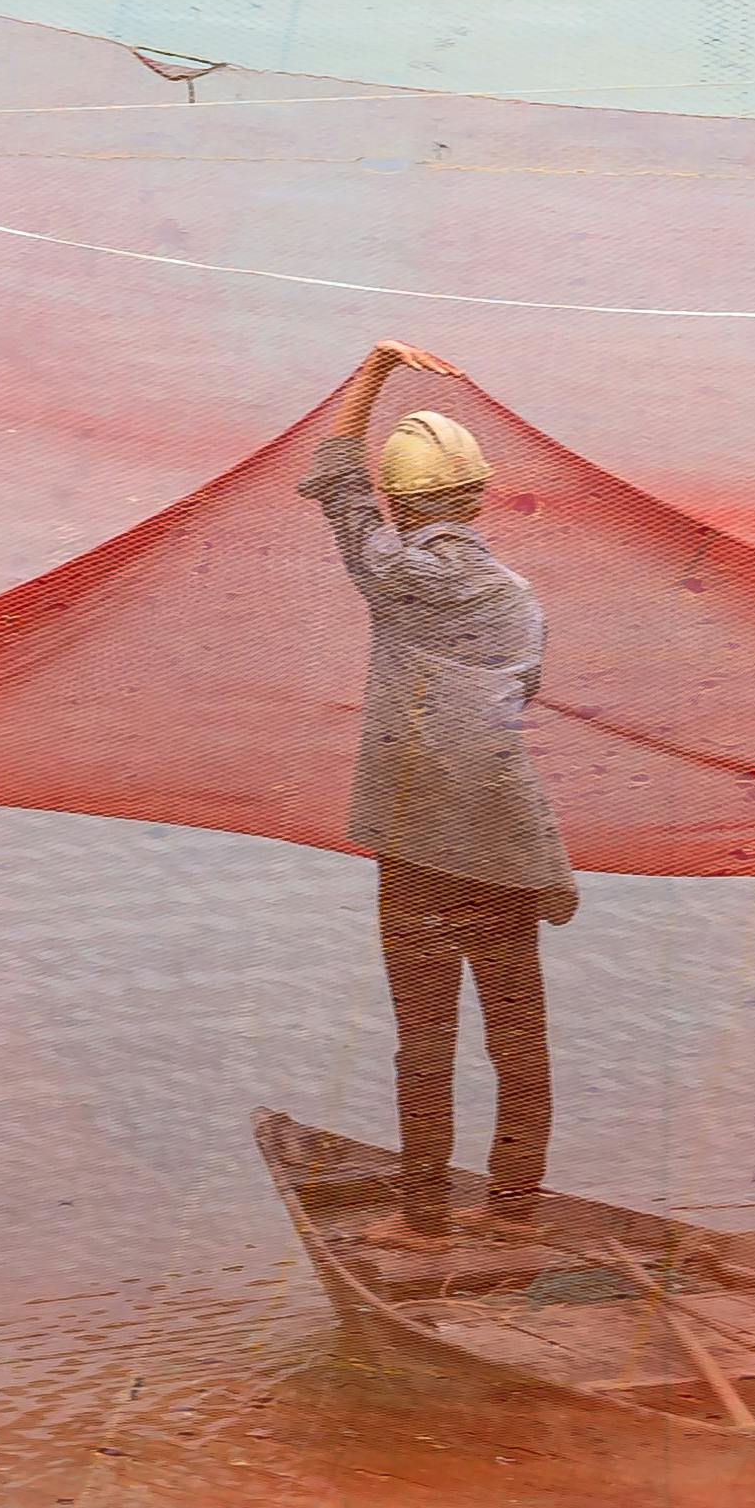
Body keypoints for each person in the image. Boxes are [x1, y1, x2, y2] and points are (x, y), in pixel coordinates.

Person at [302, 345, 574, 1202]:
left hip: (416, 838)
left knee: (423, 1033)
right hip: (503, 840)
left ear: (400, 503)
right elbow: (516, 692)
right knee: (519, 1034)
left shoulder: (389, 573)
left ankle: (422, 1214)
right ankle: (518, 1210)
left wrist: (375, 371)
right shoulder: (519, 598)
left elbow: (339, 478)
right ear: (479, 496)